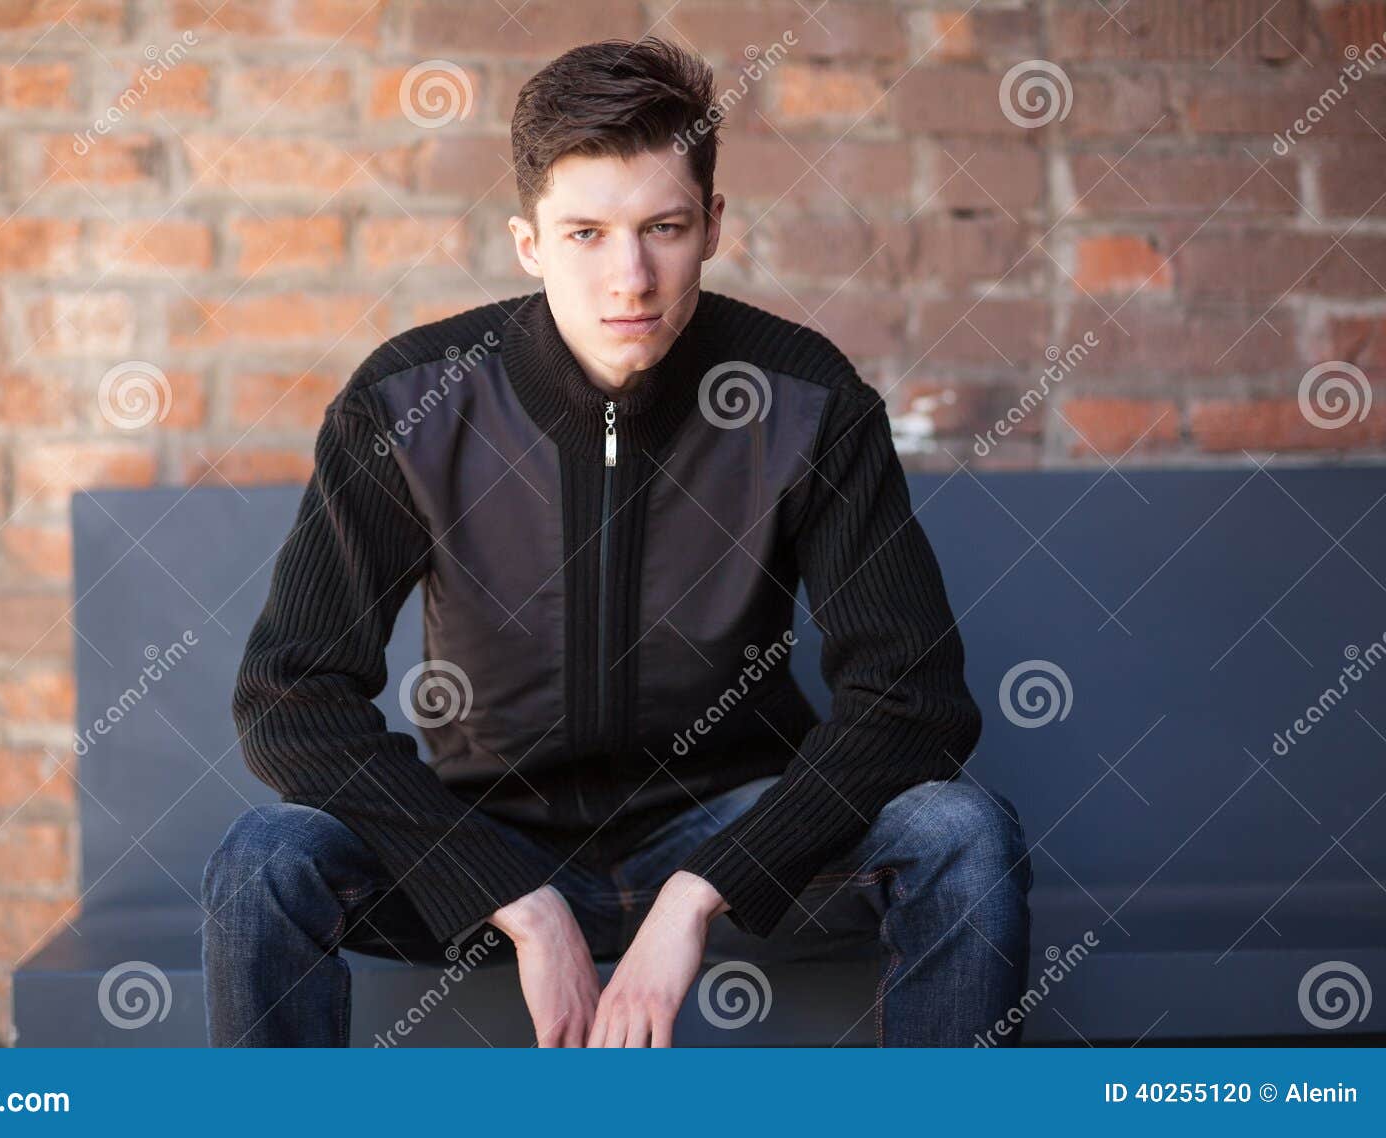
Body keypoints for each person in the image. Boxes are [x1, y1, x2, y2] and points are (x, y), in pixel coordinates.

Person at [203, 37, 1032, 1048]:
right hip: (483, 836)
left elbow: (914, 699)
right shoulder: (409, 402)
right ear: (528, 244)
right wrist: (512, 891)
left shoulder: (806, 398)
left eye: (664, 228)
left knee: (959, 829)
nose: (629, 277)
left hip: (734, 833)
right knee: (265, 855)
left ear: (713, 226)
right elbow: (288, 699)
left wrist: (702, 890)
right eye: (586, 232)